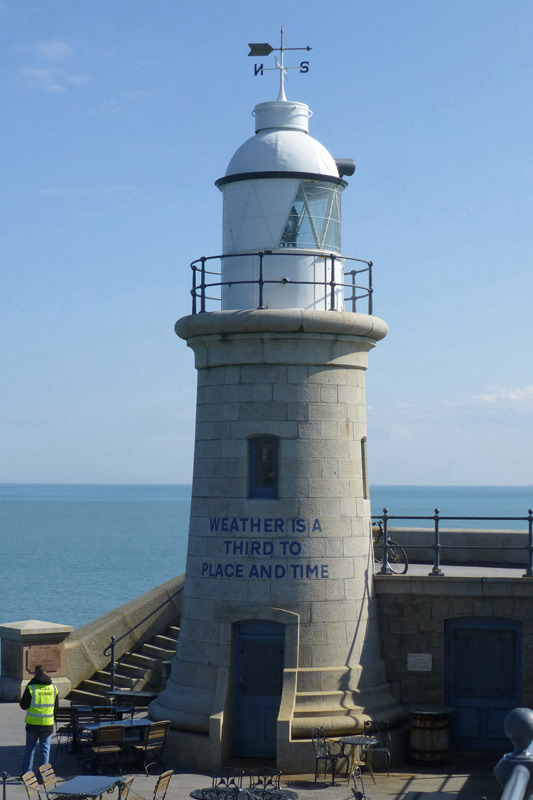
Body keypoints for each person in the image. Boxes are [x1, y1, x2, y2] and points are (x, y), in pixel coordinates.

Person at [20, 665, 59, 777]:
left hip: (32, 724)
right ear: (46, 673)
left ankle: (27, 774)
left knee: (30, 749)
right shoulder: (53, 688)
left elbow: (23, 705)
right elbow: (56, 708)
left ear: (35, 673)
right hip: (47, 724)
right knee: (45, 750)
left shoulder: (31, 687)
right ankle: (43, 776)